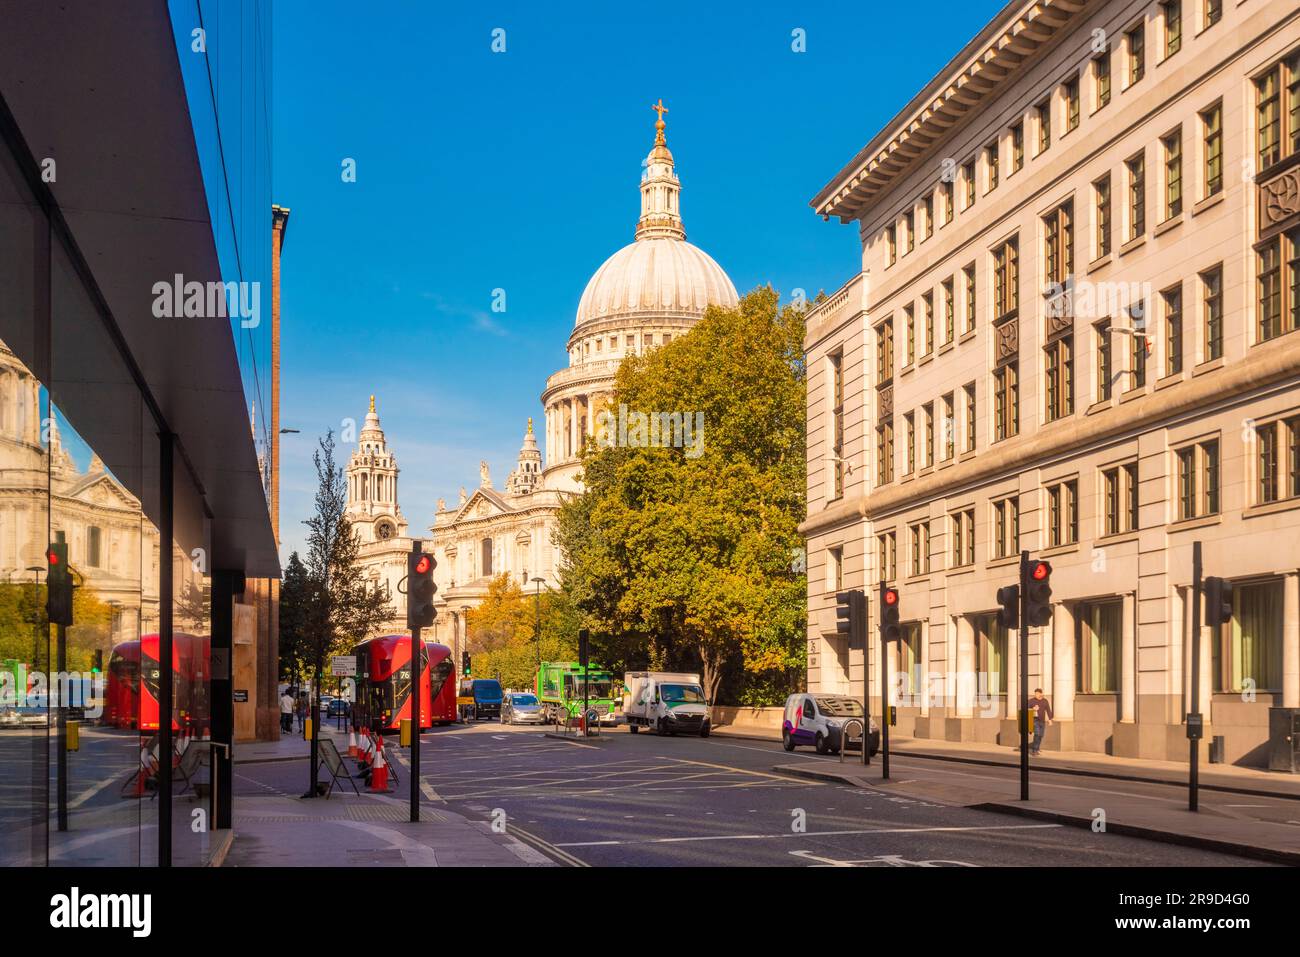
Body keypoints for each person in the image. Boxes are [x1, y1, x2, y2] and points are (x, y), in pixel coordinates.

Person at [1027, 687, 1053, 756]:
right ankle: (1034, 750)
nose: (1036, 695)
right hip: (1034, 720)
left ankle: (1037, 748)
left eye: (1038, 693)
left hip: (1042, 721)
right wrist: (1033, 709)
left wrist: (1050, 719)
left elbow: (1048, 710)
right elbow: (1026, 709)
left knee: (1041, 735)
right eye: (1035, 694)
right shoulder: (1031, 701)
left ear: (1041, 694)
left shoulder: (1045, 701)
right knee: (1037, 734)